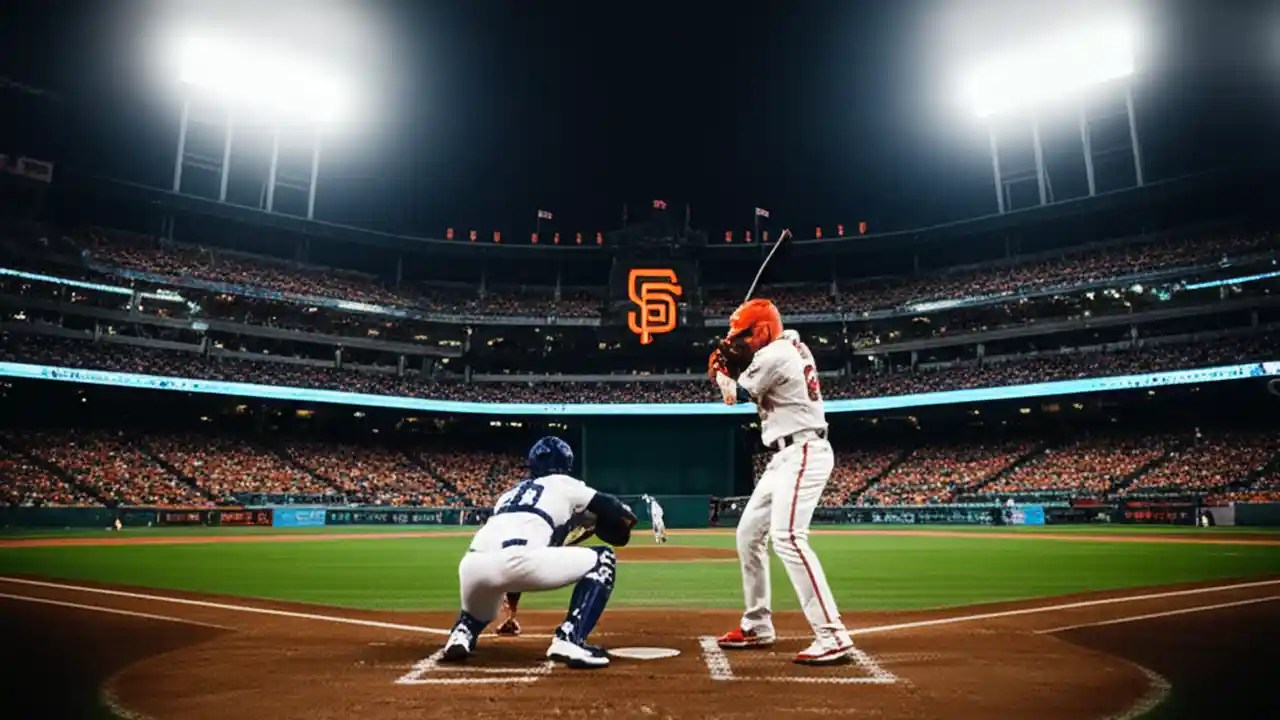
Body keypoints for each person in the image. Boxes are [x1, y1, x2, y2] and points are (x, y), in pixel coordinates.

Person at [707, 298, 854, 665]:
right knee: (748, 534)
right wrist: (736, 360)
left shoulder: (775, 353)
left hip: (803, 450)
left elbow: (733, 396)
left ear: (762, 331)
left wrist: (720, 372)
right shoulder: (787, 346)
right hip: (785, 455)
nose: (739, 343)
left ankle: (832, 635)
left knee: (788, 538)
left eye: (745, 336)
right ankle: (757, 625)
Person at [439, 436, 636, 669]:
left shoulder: (508, 495)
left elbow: (510, 569)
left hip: (473, 566)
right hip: (522, 560)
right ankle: (570, 638)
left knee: (479, 612)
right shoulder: (564, 482)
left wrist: (511, 612)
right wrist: (627, 515)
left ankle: (462, 633)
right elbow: (612, 511)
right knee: (604, 557)